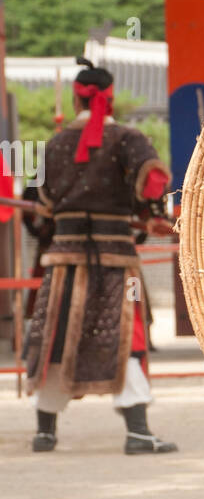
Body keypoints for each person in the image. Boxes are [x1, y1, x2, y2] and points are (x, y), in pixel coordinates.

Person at [25, 58, 178, 455]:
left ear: (77, 100)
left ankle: (45, 432)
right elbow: (154, 181)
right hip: (120, 264)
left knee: (59, 337)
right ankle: (138, 431)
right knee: (127, 335)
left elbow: (39, 204)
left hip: (63, 263)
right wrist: (152, 215)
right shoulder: (130, 139)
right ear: (109, 100)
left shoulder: (55, 144)